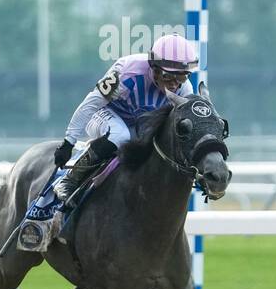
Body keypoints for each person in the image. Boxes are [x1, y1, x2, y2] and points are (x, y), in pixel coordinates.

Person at [51, 32, 199, 204]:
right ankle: (70, 179)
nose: (175, 84)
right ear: (154, 68)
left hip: (142, 125)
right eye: (168, 76)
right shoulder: (127, 72)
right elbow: (91, 104)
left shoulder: (185, 89)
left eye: (182, 76)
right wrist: (68, 142)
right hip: (106, 114)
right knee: (120, 135)